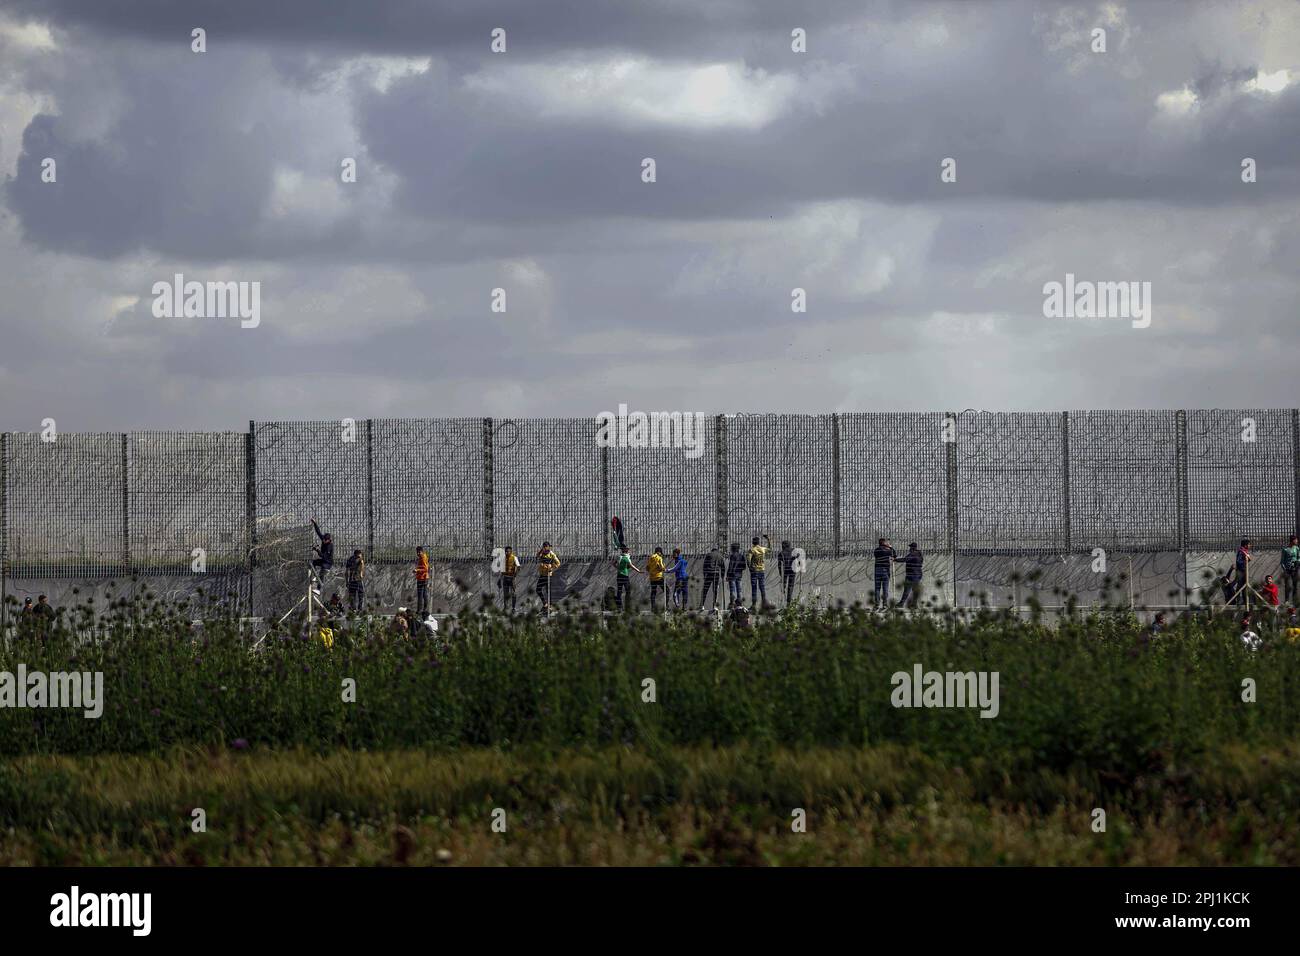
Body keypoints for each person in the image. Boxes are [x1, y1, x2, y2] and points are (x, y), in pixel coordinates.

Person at [613, 545, 642, 611]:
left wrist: (618, 568)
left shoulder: (619, 557)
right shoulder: (626, 558)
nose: (629, 551)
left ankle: (619, 606)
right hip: (625, 576)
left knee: (619, 591)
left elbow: (613, 564)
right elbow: (631, 566)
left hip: (619, 575)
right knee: (628, 591)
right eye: (628, 550)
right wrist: (638, 571)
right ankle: (627, 606)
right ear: (626, 551)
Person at [897, 543, 924, 608]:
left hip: (912, 575)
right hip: (918, 574)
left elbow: (905, 559)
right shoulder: (919, 554)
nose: (909, 549)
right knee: (914, 590)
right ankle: (914, 604)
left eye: (910, 547)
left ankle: (902, 604)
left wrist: (895, 560)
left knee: (907, 590)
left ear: (912, 548)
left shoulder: (913, 554)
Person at [536, 542, 561, 609]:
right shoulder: (541, 553)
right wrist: (540, 552)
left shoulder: (551, 554)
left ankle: (550, 605)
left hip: (548, 575)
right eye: (544, 547)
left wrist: (551, 568)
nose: (546, 548)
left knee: (548, 590)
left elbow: (558, 563)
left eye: (547, 546)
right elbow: (537, 557)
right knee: (538, 589)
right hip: (542, 574)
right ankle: (545, 604)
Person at [747, 535, 770, 608]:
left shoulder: (752, 550)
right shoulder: (762, 549)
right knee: (762, 587)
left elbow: (748, 560)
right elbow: (769, 548)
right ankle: (764, 603)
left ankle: (754, 605)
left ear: (753, 542)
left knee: (754, 588)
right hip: (762, 570)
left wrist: (750, 567)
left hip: (754, 570)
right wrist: (768, 539)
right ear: (758, 542)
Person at [310, 518, 334, 589]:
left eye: (325, 540)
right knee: (314, 562)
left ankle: (318, 588)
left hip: (328, 563)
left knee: (322, 570)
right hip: (324, 561)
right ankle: (314, 577)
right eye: (323, 539)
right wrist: (315, 523)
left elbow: (323, 556)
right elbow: (318, 532)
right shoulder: (324, 539)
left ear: (329, 540)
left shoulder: (329, 546)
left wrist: (317, 549)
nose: (323, 541)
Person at [873, 538, 897, 608]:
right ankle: (885, 604)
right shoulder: (888, 550)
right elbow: (895, 555)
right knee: (885, 588)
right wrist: (890, 547)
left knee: (877, 588)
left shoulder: (876, 550)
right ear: (884, 543)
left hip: (877, 570)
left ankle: (877, 604)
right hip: (885, 571)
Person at [776, 540, 797, 605]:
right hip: (793, 570)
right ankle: (788, 602)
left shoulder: (781, 553)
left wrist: (780, 573)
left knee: (783, 585)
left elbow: (779, 565)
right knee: (790, 586)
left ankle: (783, 599)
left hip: (785, 570)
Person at [647, 547, 667, 612]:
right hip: (659, 577)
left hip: (652, 578)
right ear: (659, 552)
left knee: (653, 592)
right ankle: (666, 606)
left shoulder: (650, 557)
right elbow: (661, 567)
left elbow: (647, 568)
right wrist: (664, 567)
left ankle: (652, 607)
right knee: (667, 590)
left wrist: (652, 571)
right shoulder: (659, 558)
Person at [725, 542, 746, 608]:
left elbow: (730, 566)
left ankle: (732, 603)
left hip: (732, 575)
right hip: (739, 575)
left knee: (732, 589)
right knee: (738, 589)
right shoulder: (741, 556)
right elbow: (744, 566)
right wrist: (739, 570)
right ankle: (739, 603)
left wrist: (728, 575)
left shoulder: (732, 556)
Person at [500, 545, 519, 612]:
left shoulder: (514, 558)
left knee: (514, 594)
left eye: (508, 551)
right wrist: (500, 579)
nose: (507, 553)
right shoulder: (503, 559)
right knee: (505, 594)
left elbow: (518, 567)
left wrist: (514, 577)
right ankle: (505, 608)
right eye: (506, 551)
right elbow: (502, 570)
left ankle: (513, 608)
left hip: (512, 578)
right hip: (505, 578)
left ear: (511, 552)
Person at [1282, 535, 1300, 605]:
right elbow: (1282, 561)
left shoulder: (1297, 548)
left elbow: (1299, 557)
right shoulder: (1285, 549)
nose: (1297, 541)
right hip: (1287, 569)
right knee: (1287, 585)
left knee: (1295, 585)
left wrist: (1297, 564)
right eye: (1296, 540)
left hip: (1295, 569)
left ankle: (1294, 600)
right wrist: (1285, 569)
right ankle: (1286, 600)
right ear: (1292, 540)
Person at [414, 546, 430, 617]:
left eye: (419, 552)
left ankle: (419, 611)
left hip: (422, 578)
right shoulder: (424, 556)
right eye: (417, 552)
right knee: (424, 594)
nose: (417, 553)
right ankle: (424, 609)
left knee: (420, 595)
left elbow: (426, 569)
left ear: (422, 551)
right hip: (424, 578)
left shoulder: (423, 557)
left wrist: (417, 570)